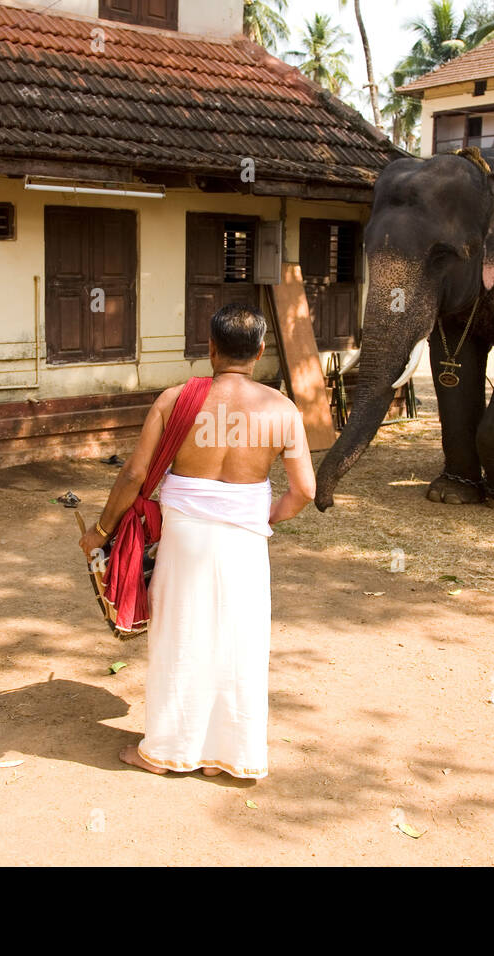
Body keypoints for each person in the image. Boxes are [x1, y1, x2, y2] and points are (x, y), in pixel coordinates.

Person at [79, 304, 316, 780]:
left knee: (181, 636)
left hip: (185, 538)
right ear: (261, 352)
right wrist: (262, 515)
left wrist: (100, 532)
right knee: (239, 641)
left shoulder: (174, 400)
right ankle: (228, 755)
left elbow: (134, 474)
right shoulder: (281, 409)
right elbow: (305, 490)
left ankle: (167, 750)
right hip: (245, 542)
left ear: (209, 349)